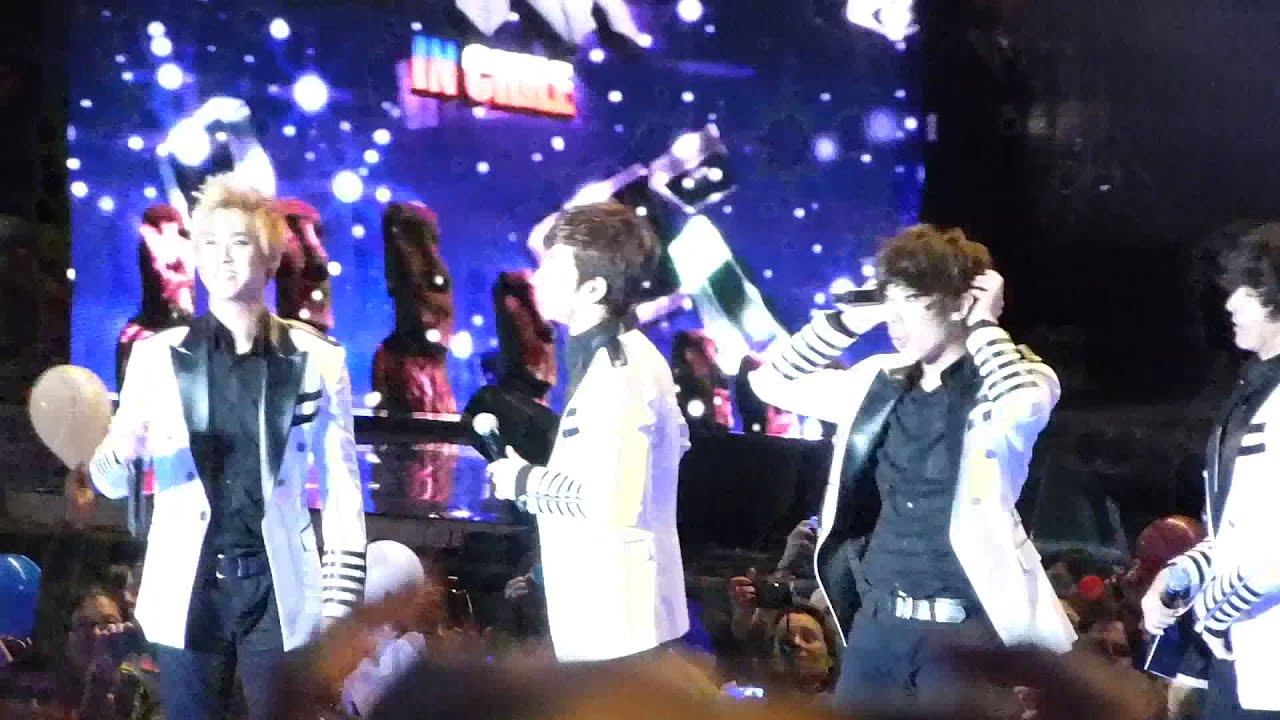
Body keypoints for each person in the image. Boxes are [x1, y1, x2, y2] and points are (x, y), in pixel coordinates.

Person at [749, 224, 1074, 709]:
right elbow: (771, 382)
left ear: (960, 303)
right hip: (878, 625)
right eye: (892, 300)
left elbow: (1022, 406)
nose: (896, 319)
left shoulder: (1015, 377)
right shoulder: (877, 381)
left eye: (914, 301)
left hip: (965, 633)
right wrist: (847, 321)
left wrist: (985, 325)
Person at [88, 173, 367, 720]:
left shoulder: (318, 359)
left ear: (269, 259)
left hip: (280, 585)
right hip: (188, 584)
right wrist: (124, 450)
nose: (222, 257)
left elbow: (342, 485)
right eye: (209, 243)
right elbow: (110, 480)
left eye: (239, 242)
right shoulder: (156, 356)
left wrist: (340, 602)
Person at [486, 201, 691, 663]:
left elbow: (610, 501)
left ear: (593, 288)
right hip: (610, 610)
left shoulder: (621, 371)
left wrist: (523, 481)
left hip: (617, 618)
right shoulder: (621, 358)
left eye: (553, 267)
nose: (537, 278)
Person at [1142, 223, 1280, 718]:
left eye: (1249, 289)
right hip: (1242, 662)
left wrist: (1206, 614)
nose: (1231, 303)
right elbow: (1235, 531)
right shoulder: (1250, 392)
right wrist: (1182, 575)